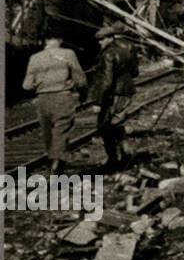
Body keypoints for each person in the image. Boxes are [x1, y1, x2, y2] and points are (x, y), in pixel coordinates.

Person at [22, 35, 87, 174]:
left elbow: (26, 85)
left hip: (43, 99)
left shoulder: (35, 58)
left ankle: (51, 159)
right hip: (63, 97)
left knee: (47, 133)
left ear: (45, 41)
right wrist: (83, 93)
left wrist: (40, 84)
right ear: (60, 40)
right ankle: (57, 163)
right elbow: (80, 79)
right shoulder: (69, 54)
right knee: (61, 131)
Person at [89, 23, 138, 169]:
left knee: (105, 127)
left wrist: (98, 102)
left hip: (114, 94)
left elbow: (107, 81)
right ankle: (125, 154)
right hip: (126, 91)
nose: (99, 42)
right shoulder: (125, 51)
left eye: (102, 39)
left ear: (110, 38)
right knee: (117, 124)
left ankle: (113, 159)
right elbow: (135, 72)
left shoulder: (108, 54)